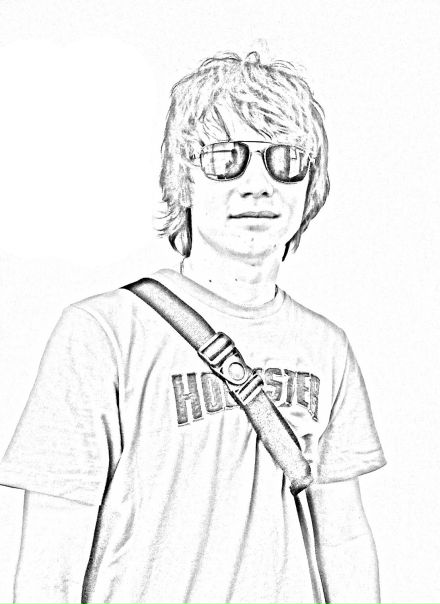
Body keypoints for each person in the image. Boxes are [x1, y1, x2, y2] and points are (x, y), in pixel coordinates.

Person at [0, 51, 386, 604]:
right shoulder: (104, 332)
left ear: (311, 184)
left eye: (285, 160)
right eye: (226, 159)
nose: (258, 185)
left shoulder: (326, 347)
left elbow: (343, 538)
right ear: (183, 179)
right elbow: (51, 558)